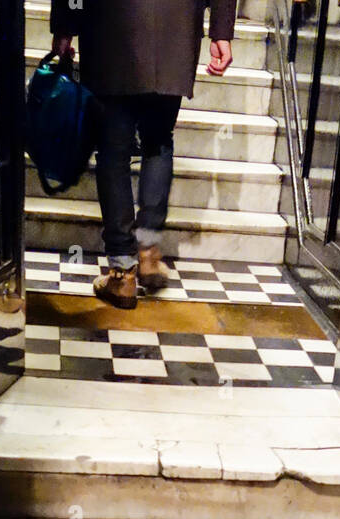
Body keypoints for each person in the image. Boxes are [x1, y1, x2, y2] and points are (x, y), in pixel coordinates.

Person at [50, 1, 236, 309]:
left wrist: (65, 24)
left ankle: (123, 271)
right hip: (174, 29)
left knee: (113, 150)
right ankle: (148, 249)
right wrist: (221, 31)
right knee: (158, 141)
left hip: (112, 29)